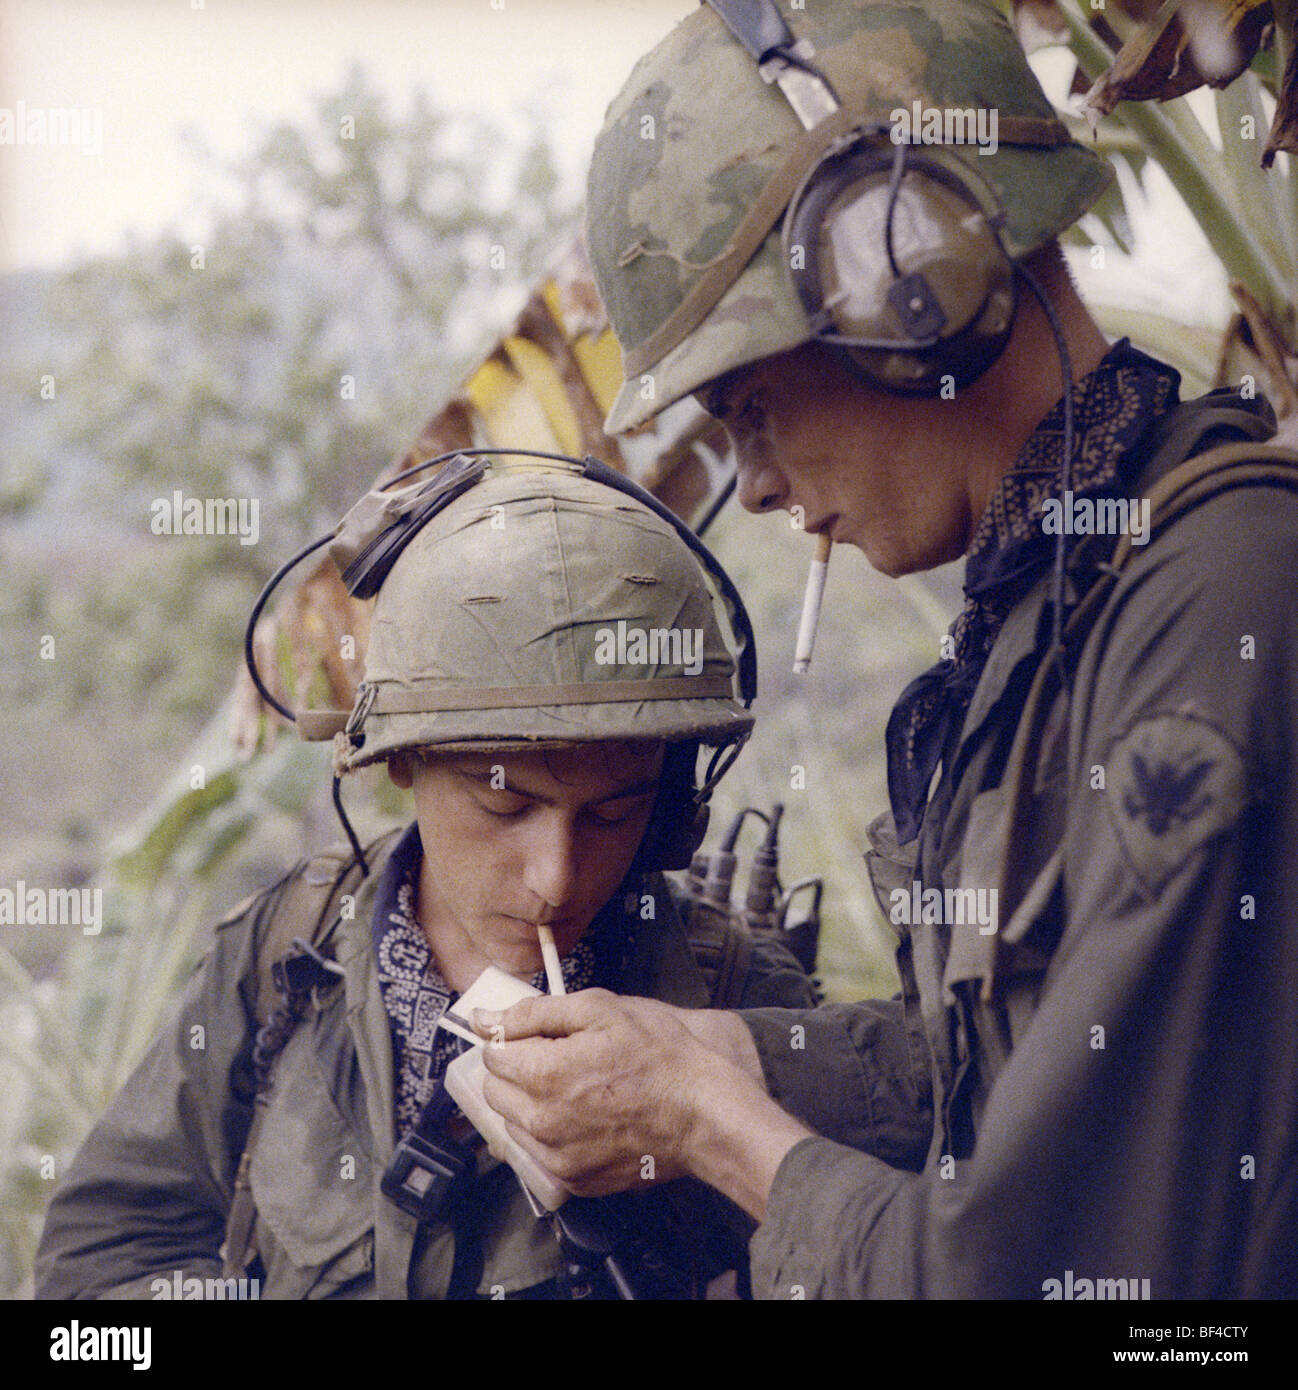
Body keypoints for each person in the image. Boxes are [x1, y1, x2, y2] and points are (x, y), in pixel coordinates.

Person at [469, 0, 1298, 1298]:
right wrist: (717, 1050)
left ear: (912, 285)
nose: (747, 484)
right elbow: (1001, 1067)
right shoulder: (1056, 608)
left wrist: (702, 1117)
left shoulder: (1214, 610)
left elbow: (1066, 1272)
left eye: (748, 408)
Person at [33, 460, 816, 1300]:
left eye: (613, 814)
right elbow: (99, 1261)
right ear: (401, 762)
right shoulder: (287, 957)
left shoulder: (737, 1000)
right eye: (505, 807)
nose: (556, 879)